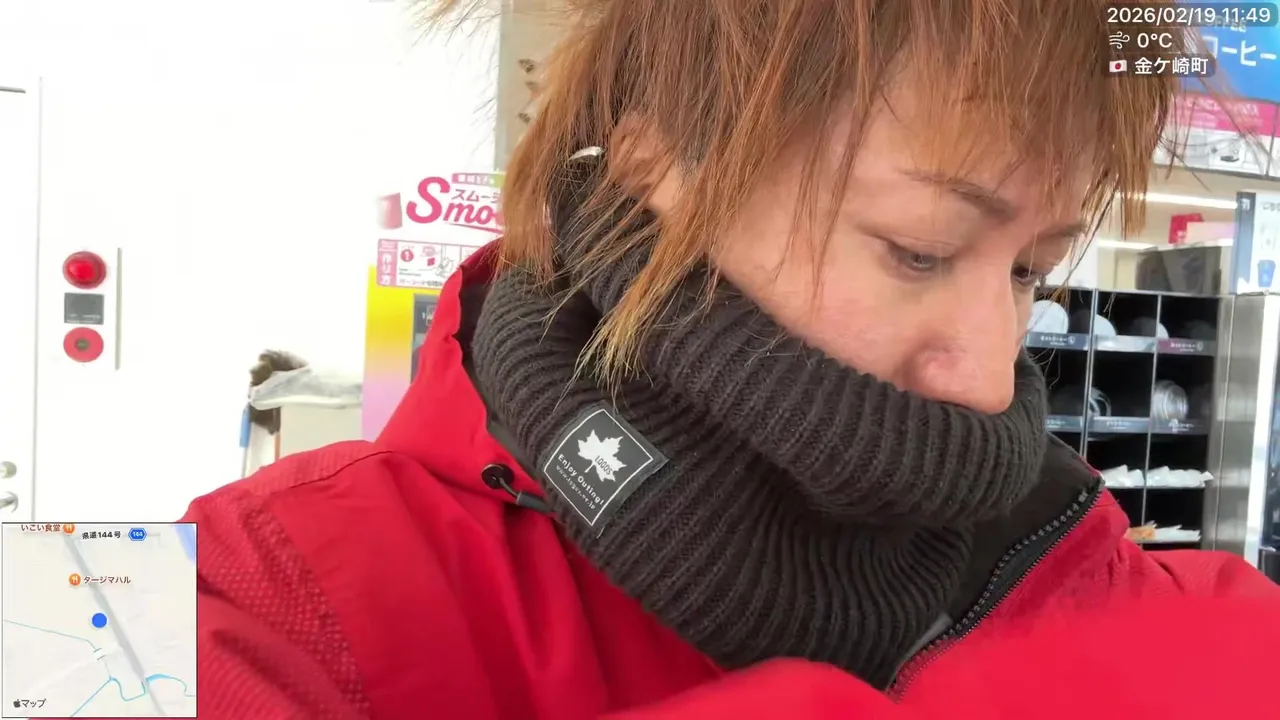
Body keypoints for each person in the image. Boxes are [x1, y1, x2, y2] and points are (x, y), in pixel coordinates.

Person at [185, 1, 1280, 718]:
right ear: (653, 164)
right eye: (920, 250)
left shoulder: (1086, 565)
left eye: (1027, 271)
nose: (990, 379)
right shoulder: (265, 600)